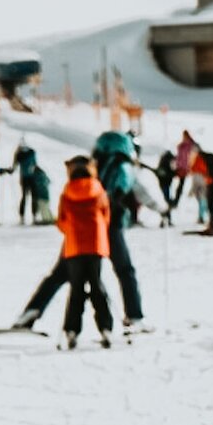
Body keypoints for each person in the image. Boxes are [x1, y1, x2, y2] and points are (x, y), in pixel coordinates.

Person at [56, 156, 114, 349]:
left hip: (74, 245)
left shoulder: (67, 192)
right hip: (96, 243)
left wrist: (71, 230)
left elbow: (61, 221)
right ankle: (106, 327)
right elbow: (106, 216)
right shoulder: (98, 189)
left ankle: (72, 329)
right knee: (97, 285)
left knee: (76, 288)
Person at [93, 130, 148, 329]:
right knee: (126, 271)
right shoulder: (123, 166)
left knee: (72, 271)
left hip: (90, 223)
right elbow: (138, 190)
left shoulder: (98, 163)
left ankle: (34, 311)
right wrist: (162, 209)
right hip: (112, 224)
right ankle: (134, 315)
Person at [12, 141, 40, 225]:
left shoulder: (18, 155)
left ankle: (22, 218)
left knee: (24, 197)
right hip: (32, 177)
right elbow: (35, 164)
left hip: (24, 178)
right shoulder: (32, 152)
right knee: (34, 196)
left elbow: (14, 167)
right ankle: (34, 217)